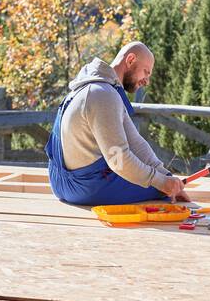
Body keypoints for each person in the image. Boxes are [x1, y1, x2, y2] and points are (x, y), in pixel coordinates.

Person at [46, 41, 188, 206]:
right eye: (146, 72)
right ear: (130, 60)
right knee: (162, 191)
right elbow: (119, 159)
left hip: (58, 182)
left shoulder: (93, 87)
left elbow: (136, 144)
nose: (147, 81)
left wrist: (168, 177)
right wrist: (162, 184)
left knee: (163, 184)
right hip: (85, 187)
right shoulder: (103, 95)